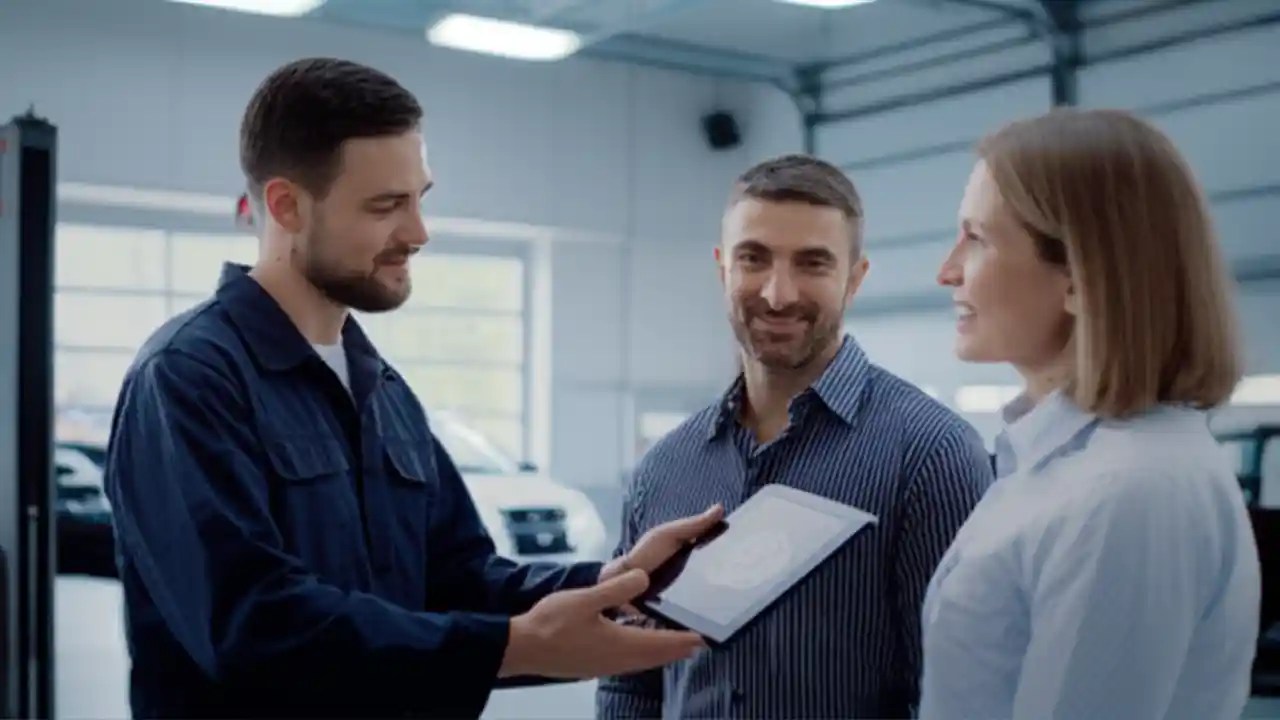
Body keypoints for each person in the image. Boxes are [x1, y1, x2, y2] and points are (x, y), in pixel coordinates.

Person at [103, 57, 723, 720]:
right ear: (286, 205)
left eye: (420, 197)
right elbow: (252, 625)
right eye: (385, 206)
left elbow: (458, 581)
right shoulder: (187, 379)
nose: (419, 234)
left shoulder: (383, 392)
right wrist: (514, 647)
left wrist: (613, 582)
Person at [595, 154, 995, 719]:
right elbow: (629, 684)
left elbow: (950, 695)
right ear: (722, 270)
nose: (778, 294)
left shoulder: (932, 454)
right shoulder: (665, 467)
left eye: (812, 264)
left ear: (855, 279)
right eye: (753, 259)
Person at [920, 108, 1261, 719]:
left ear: (1079, 276)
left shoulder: (1125, 491)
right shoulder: (1059, 464)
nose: (946, 271)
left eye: (978, 238)